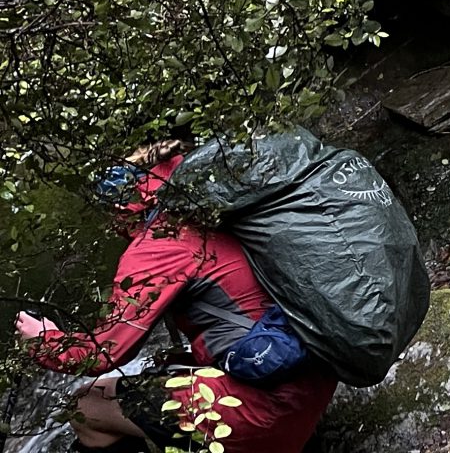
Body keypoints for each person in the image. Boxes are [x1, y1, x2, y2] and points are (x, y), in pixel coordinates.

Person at [14, 141, 338, 452]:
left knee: (87, 406)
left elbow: (104, 354)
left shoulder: (160, 245)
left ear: (120, 207)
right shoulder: (215, 207)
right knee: (163, 368)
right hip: (312, 378)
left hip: (268, 408)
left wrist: (42, 340)